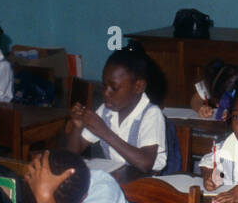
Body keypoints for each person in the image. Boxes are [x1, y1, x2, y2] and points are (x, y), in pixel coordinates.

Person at [63, 44, 168, 173]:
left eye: (114, 88)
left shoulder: (151, 114)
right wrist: (77, 127)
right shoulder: (105, 111)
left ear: (138, 87)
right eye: (104, 86)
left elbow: (145, 163)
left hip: (147, 184)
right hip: (119, 179)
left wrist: (104, 131)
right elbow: (71, 156)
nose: (106, 93)